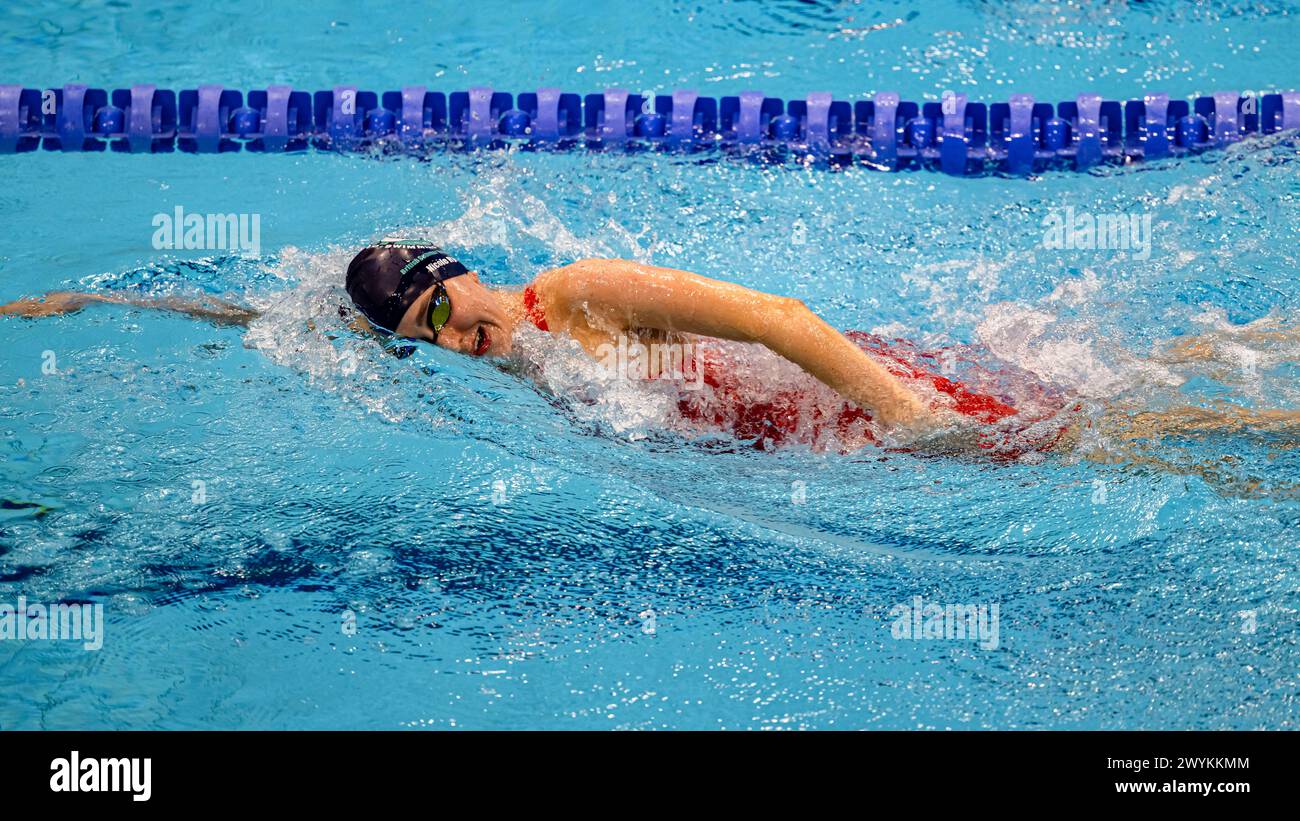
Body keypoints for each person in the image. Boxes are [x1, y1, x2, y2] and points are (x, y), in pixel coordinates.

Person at [3, 241, 1297, 472]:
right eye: (431, 342)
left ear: (470, 274)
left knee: (1112, 437)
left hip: (865, 397)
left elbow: (786, 317)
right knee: (1136, 376)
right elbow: (284, 316)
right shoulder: (497, 354)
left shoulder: (578, 296)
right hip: (812, 423)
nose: (463, 339)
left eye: (453, 311)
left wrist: (906, 413)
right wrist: (101, 304)